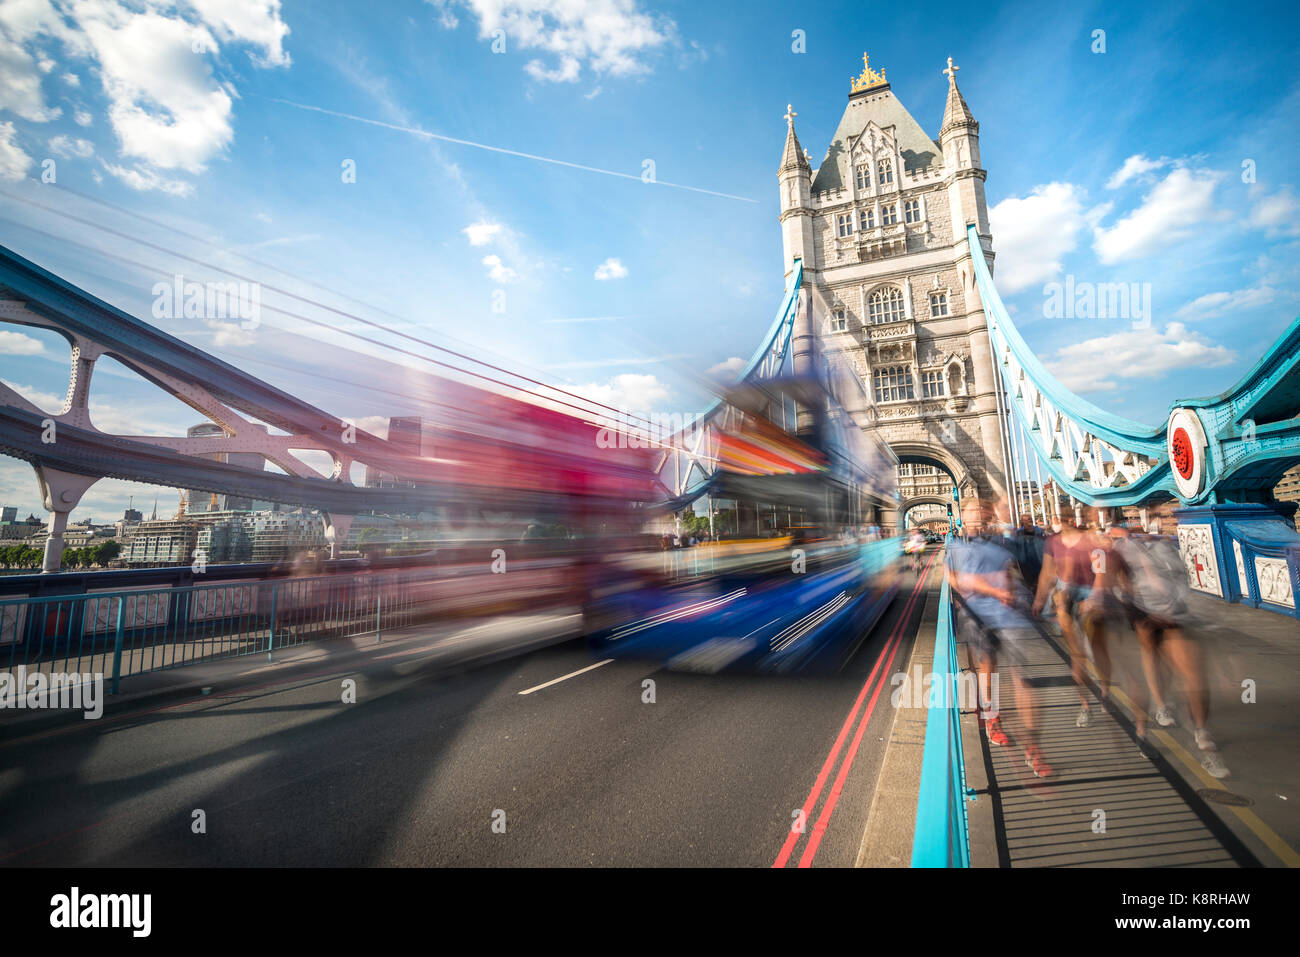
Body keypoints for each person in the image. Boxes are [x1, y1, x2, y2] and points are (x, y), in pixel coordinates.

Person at [1108, 524, 1228, 778]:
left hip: (1175, 613)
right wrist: (1137, 604)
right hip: (1143, 611)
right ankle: (1160, 706)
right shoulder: (1121, 549)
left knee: (1193, 674)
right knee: (1150, 655)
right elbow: (1118, 584)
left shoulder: (1168, 547)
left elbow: (1186, 579)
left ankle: (1202, 732)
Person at [947, 498, 1053, 778]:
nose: (977, 515)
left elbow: (1015, 569)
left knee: (1023, 678)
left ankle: (1034, 746)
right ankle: (993, 718)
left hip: (1009, 614)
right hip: (976, 615)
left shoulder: (1003, 543)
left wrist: (1017, 590)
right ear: (962, 516)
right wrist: (993, 589)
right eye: (971, 511)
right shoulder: (955, 546)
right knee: (987, 668)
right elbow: (956, 580)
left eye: (981, 510)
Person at [1033, 514, 1111, 728]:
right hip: (1065, 596)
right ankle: (1085, 705)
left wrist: (1094, 599)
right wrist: (1040, 599)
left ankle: (1105, 694)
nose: (1056, 519)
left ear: (1071, 518)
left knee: (1099, 649)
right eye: (1052, 516)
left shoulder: (1090, 540)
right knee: (1077, 655)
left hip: (1090, 594)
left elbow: (1101, 573)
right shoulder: (1052, 541)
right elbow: (1047, 572)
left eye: (1060, 515)